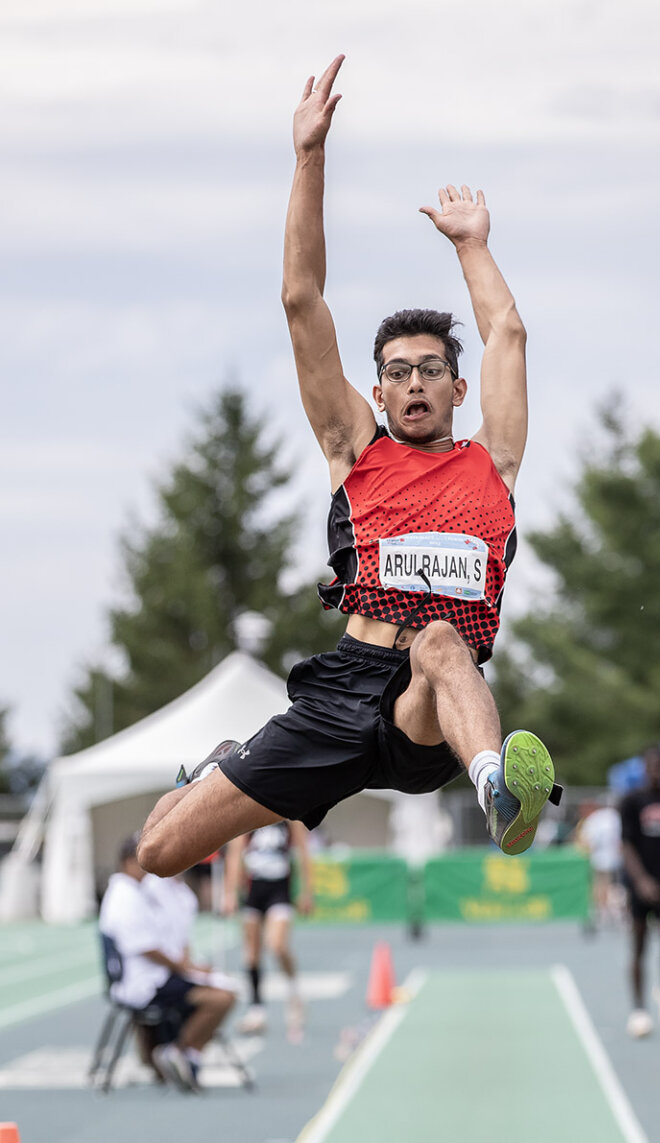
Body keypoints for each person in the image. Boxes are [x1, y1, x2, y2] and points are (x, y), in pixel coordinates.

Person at [137, 53, 561, 887]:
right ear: (378, 389)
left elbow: (507, 332)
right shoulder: (355, 450)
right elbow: (302, 300)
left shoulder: (493, 463)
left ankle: (496, 791)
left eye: (430, 369)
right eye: (397, 371)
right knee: (159, 852)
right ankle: (215, 766)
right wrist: (309, 157)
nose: (414, 383)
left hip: (428, 706)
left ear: (455, 386)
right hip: (337, 695)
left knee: (444, 642)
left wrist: (473, 246)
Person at [98, 833, 236, 1091]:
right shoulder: (126, 896)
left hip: (152, 976)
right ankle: (182, 1051)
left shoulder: (133, 891)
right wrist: (183, 967)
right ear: (128, 862)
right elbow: (145, 947)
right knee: (222, 998)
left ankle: (179, 1054)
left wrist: (184, 965)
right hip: (145, 983)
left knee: (216, 990)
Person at [223, 820, 313, 1039]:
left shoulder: (290, 817)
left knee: (277, 945)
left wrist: (307, 892)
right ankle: (257, 1010)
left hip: (279, 889)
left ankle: (294, 992)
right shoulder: (249, 815)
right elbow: (235, 854)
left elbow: (303, 852)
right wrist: (230, 893)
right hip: (254, 889)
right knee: (252, 954)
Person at [619, 745, 660, 1038]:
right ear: (645, 769)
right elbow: (625, 845)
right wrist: (641, 880)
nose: (657, 771)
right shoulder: (631, 801)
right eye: (652, 766)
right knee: (639, 944)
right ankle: (638, 1009)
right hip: (640, 879)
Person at [574, 800, 624, 930]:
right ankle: (612, 911)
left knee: (602, 886)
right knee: (611, 885)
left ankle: (605, 912)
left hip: (601, 859)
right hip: (614, 858)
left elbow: (589, 842)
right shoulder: (611, 817)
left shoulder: (593, 821)